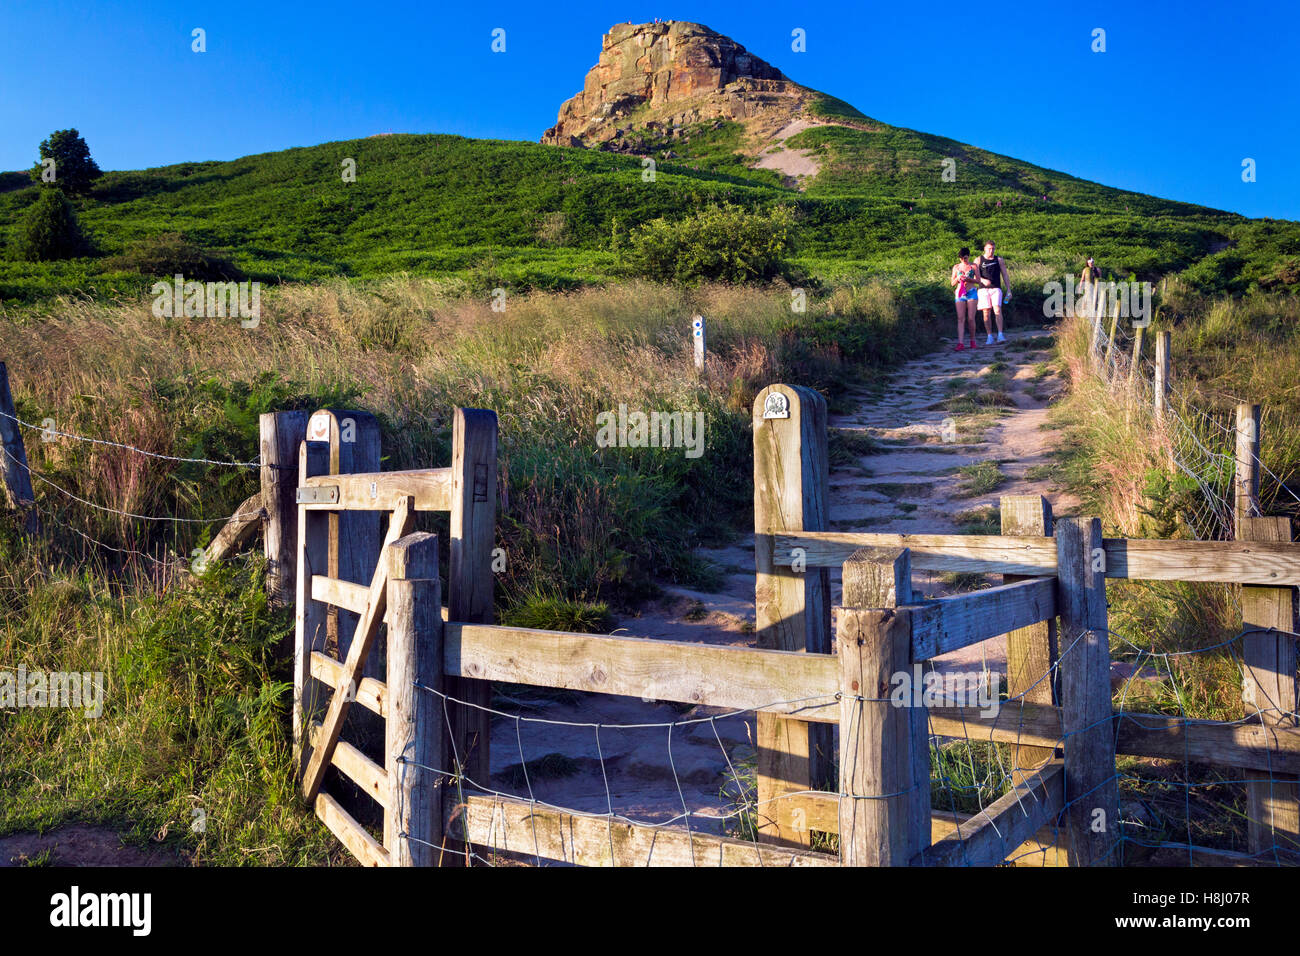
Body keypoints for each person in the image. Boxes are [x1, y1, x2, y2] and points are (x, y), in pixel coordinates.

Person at [974, 240, 1012, 344]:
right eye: (989, 249)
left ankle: (1000, 334)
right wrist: (982, 280)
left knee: (997, 309)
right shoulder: (978, 260)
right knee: (986, 312)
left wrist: (1009, 289)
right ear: (985, 249)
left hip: (996, 288)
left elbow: (1005, 275)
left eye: (993, 249)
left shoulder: (999, 260)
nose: (991, 251)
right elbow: (974, 276)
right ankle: (989, 336)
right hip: (983, 289)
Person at [949, 247, 979, 350]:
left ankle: (972, 340)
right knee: (960, 318)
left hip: (971, 292)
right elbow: (952, 283)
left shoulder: (973, 266)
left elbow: (978, 280)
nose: (963, 260)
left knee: (971, 318)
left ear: (968, 256)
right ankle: (960, 343)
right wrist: (957, 278)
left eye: (965, 258)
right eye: (961, 258)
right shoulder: (956, 267)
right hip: (960, 293)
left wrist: (969, 279)